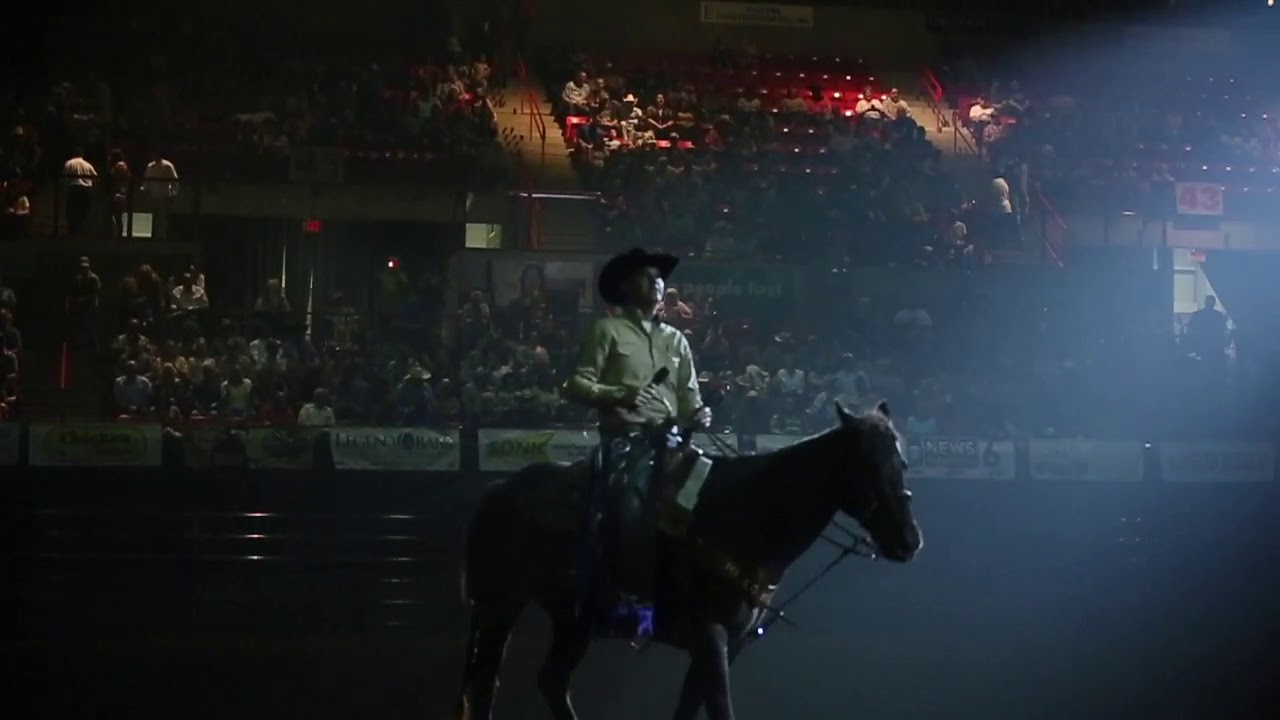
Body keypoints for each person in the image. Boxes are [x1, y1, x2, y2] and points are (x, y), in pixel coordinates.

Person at [563, 247, 711, 621]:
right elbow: (576, 385)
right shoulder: (606, 330)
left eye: (660, 277)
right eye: (648, 276)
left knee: (708, 494)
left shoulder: (677, 340)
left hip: (673, 443)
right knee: (630, 508)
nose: (658, 282)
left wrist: (700, 414)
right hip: (626, 442)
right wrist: (618, 395)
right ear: (628, 287)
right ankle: (627, 598)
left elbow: (689, 398)